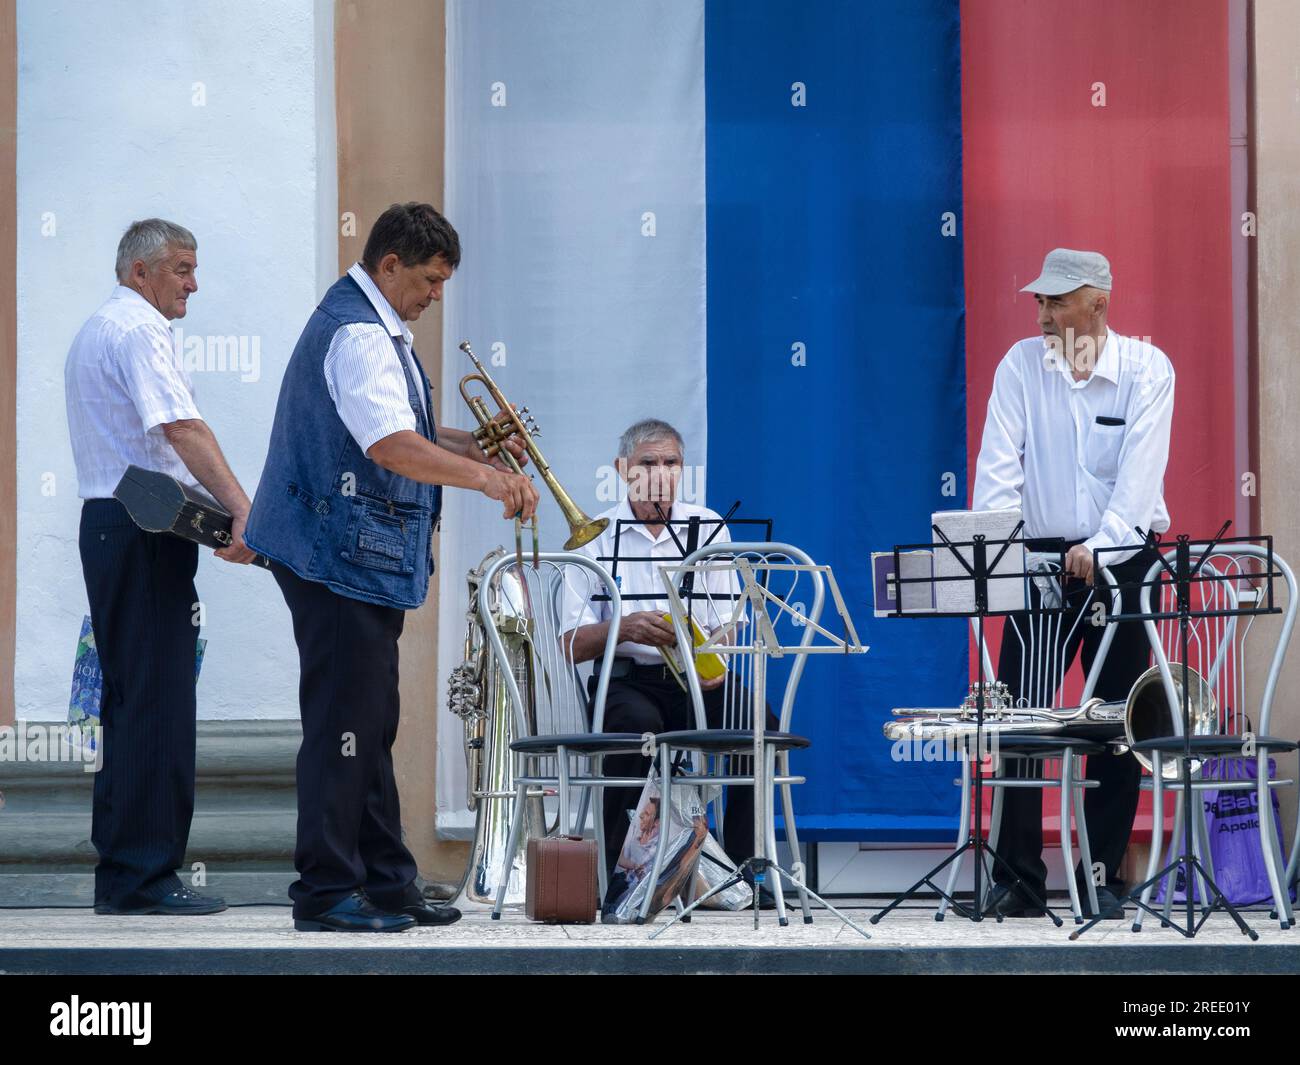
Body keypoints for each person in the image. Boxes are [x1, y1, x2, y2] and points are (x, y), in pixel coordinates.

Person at [243, 202, 538, 933]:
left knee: (369, 723)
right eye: (430, 280)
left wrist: (468, 446)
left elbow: (395, 423)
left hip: (345, 557)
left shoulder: (368, 325)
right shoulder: (362, 335)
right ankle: (325, 890)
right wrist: (489, 481)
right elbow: (388, 446)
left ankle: (385, 881)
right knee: (345, 724)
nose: (436, 295)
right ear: (389, 265)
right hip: (335, 556)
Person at [972, 247, 1174, 919]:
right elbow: (998, 469)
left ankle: (1100, 877)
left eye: (1057, 300)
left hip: (1120, 558)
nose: (1043, 311)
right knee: (1019, 720)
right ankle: (1018, 879)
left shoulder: (1147, 369)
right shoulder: (1019, 367)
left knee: (1117, 721)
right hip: (1037, 557)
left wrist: (1100, 546)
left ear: (1099, 305)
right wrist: (993, 556)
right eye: (1039, 300)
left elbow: (1139, 486)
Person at [66, 218, 258, 916]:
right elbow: (182, 428)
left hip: (116, 523)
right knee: (157, 702)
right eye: (181, 268)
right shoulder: (140, 330)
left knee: (127, 699)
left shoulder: (97, 329)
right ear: (140, 271)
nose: (193, 283)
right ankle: (147, 877)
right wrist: (242, 509)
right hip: (145, 528)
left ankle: (124, 873)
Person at [562, 418, 776, 884]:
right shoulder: (595, 535)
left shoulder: (708, 528)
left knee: (758, 723)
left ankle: (744, 871)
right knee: (637, 726)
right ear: (623, 470)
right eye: (647, 463)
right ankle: (625, 877)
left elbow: (730, 624)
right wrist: (626, 628)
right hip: (626, 681)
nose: (660, 472)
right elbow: (568, 644)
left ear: (682, 470)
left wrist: (713, 658)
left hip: (694, 678)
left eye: (671, 463)